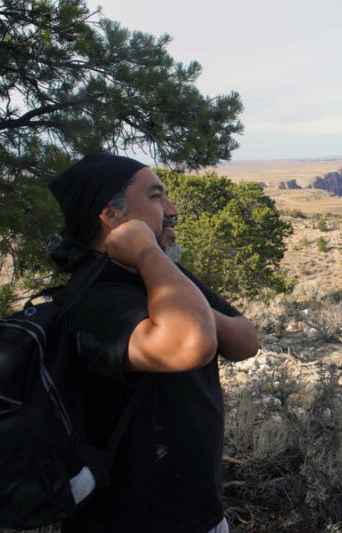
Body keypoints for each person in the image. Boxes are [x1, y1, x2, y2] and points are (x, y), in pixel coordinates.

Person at [47, 153, 259, 533]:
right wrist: (145, 251)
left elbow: (245, 341)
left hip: (198, 514)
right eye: (157, 197)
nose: (173, 210)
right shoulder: (96, 298)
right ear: (111, 216)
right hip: (131, 522)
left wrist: (173, 287)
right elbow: (191, 344)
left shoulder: (161, 275)